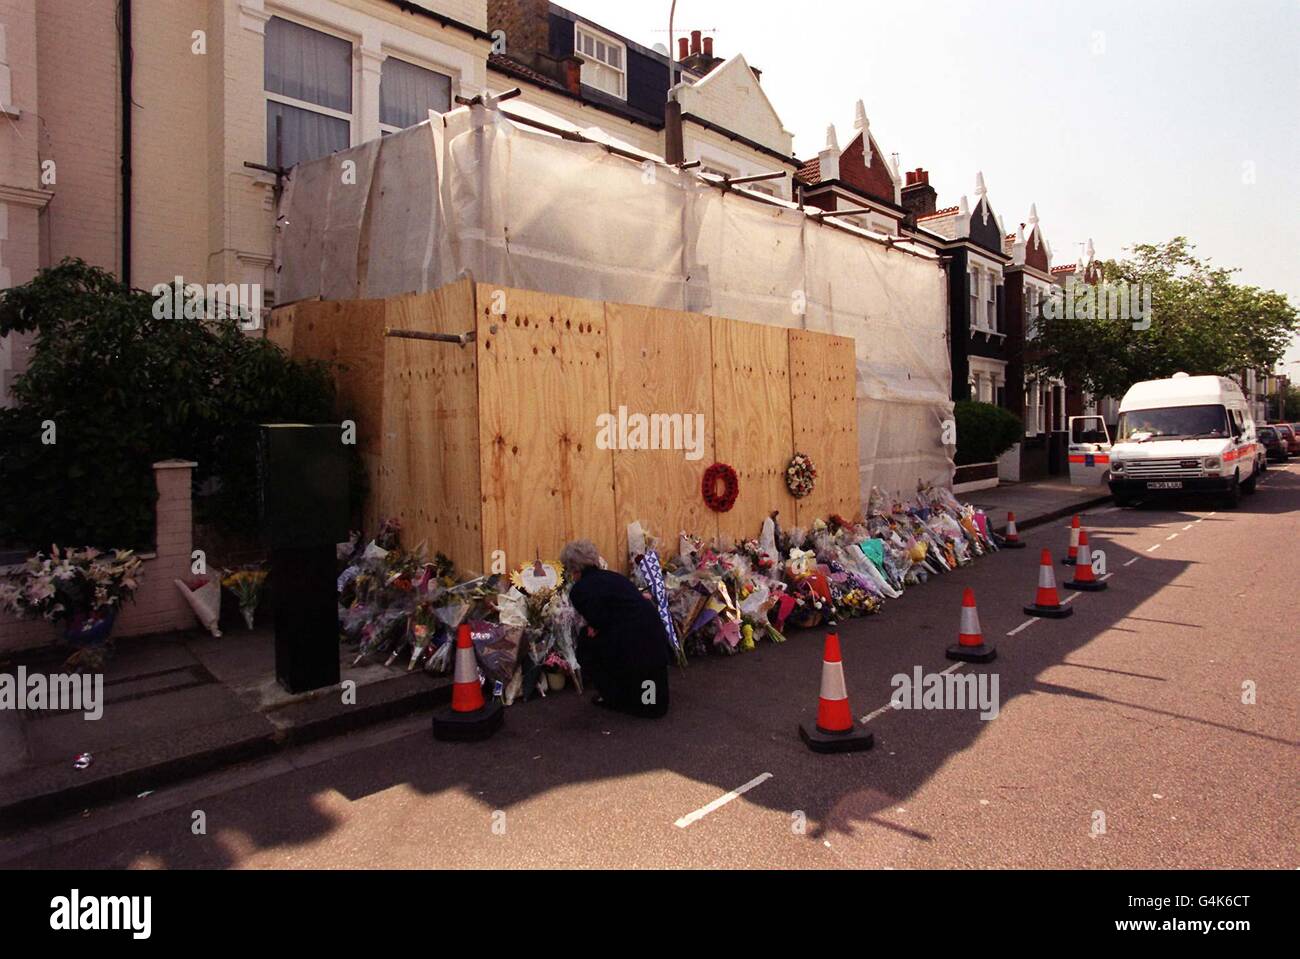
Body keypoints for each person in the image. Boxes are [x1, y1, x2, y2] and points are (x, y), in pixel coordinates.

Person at [561, 539, 670, 719]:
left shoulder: (580, 589)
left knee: (585, 646)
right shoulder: (614, 577)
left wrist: (592, 629)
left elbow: (599, 620)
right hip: (654, 640)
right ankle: (646, 700)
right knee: (651, 698)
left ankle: (613, 696)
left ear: (574, 569)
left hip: (632, 646)